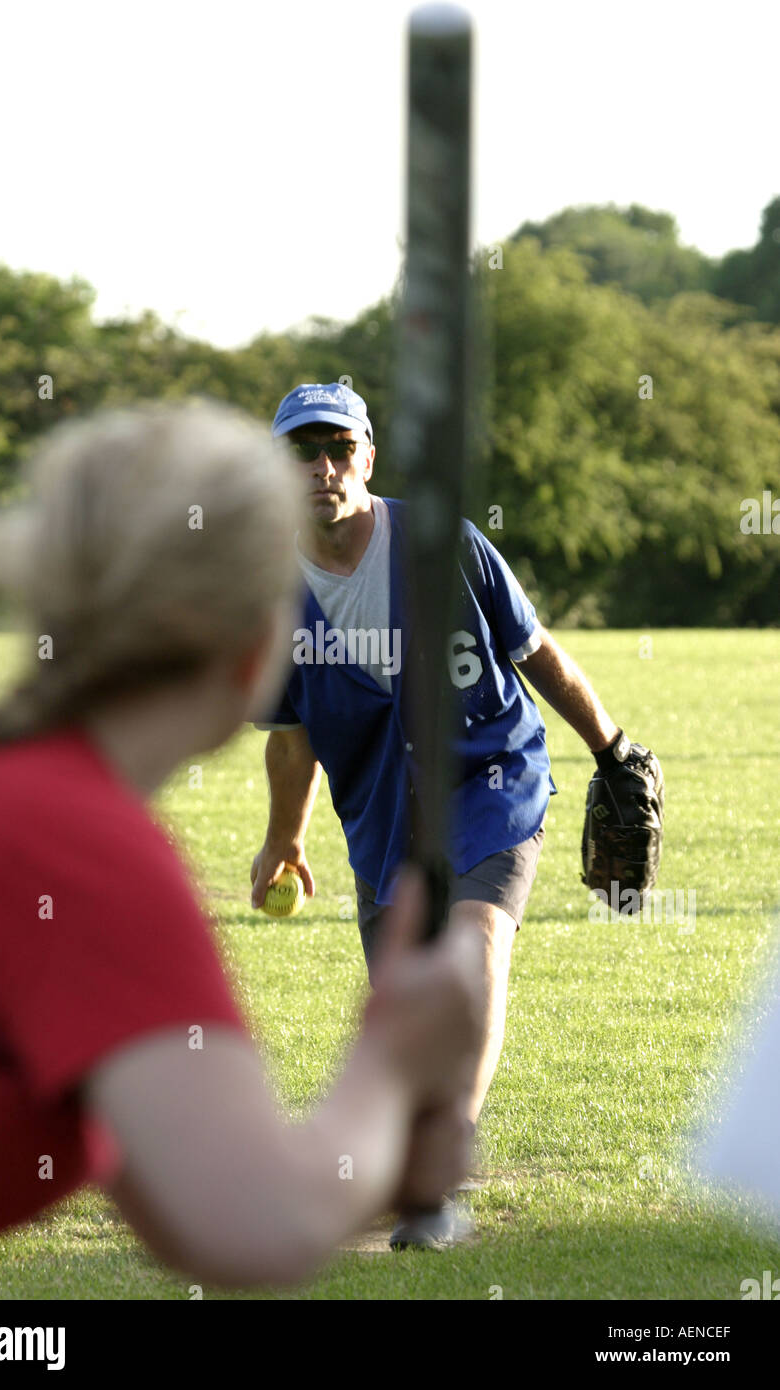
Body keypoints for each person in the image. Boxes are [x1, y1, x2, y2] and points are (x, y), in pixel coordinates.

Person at [0, 399, 486, 1289]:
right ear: (255, 640)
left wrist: (371, 1161)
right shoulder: (76, 845)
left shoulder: (6, 794)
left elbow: (188, 1207)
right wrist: (391, 1061)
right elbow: (255, 1226)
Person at [251, 381, 635, 1249]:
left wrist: (612, 750)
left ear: (368, 456)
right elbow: (291, 736)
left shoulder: (441, 542)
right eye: (300, 452)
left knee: (475, 947)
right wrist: (283, 837)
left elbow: (536, 653)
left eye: (339, 448)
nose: (322, 468)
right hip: (385, 814)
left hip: (492, 777)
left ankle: (437, 1180)